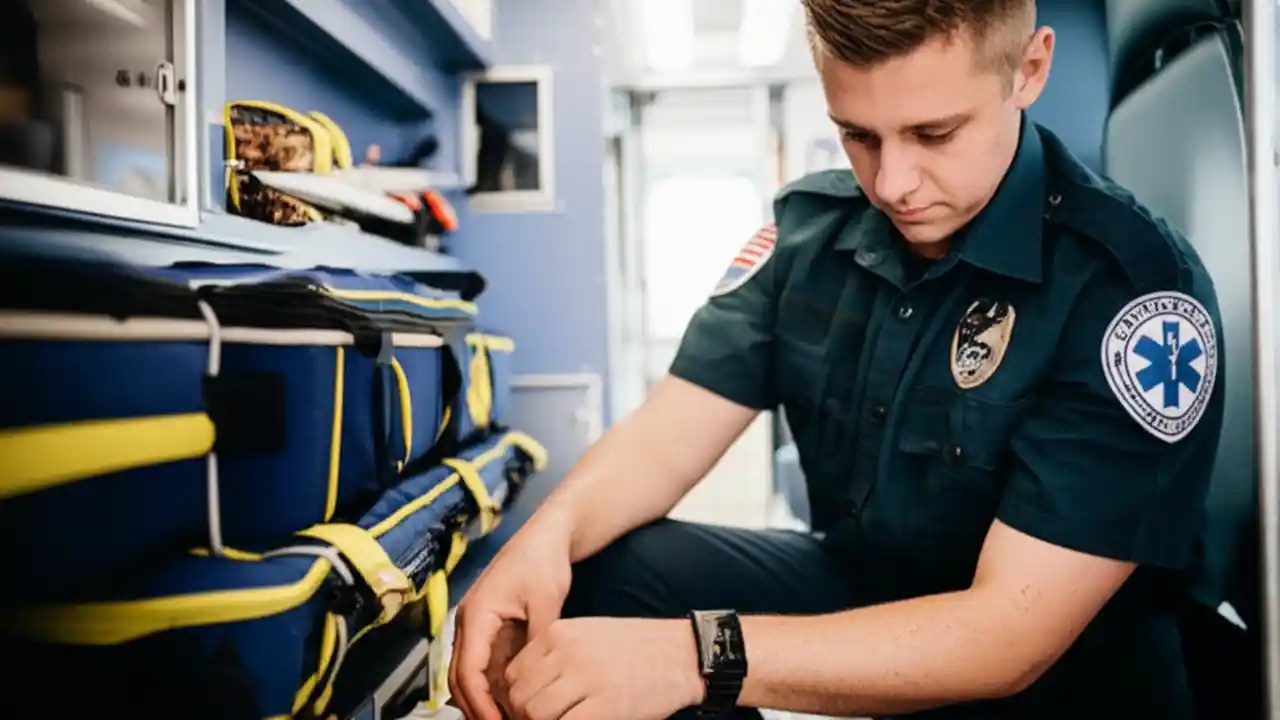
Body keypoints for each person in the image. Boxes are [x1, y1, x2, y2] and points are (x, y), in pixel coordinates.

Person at [447, 0, 1226, 718]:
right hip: (868, 587)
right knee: (596, 575)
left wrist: (693, 658)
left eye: (933, 134)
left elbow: (1006, 638)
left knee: (679, 648)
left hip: (1059, 669)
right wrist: (541, 540)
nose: (892, 183)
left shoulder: (1133, 291)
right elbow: (667, 434)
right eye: (858, 134)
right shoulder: (809, 235)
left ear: (1028, 70)